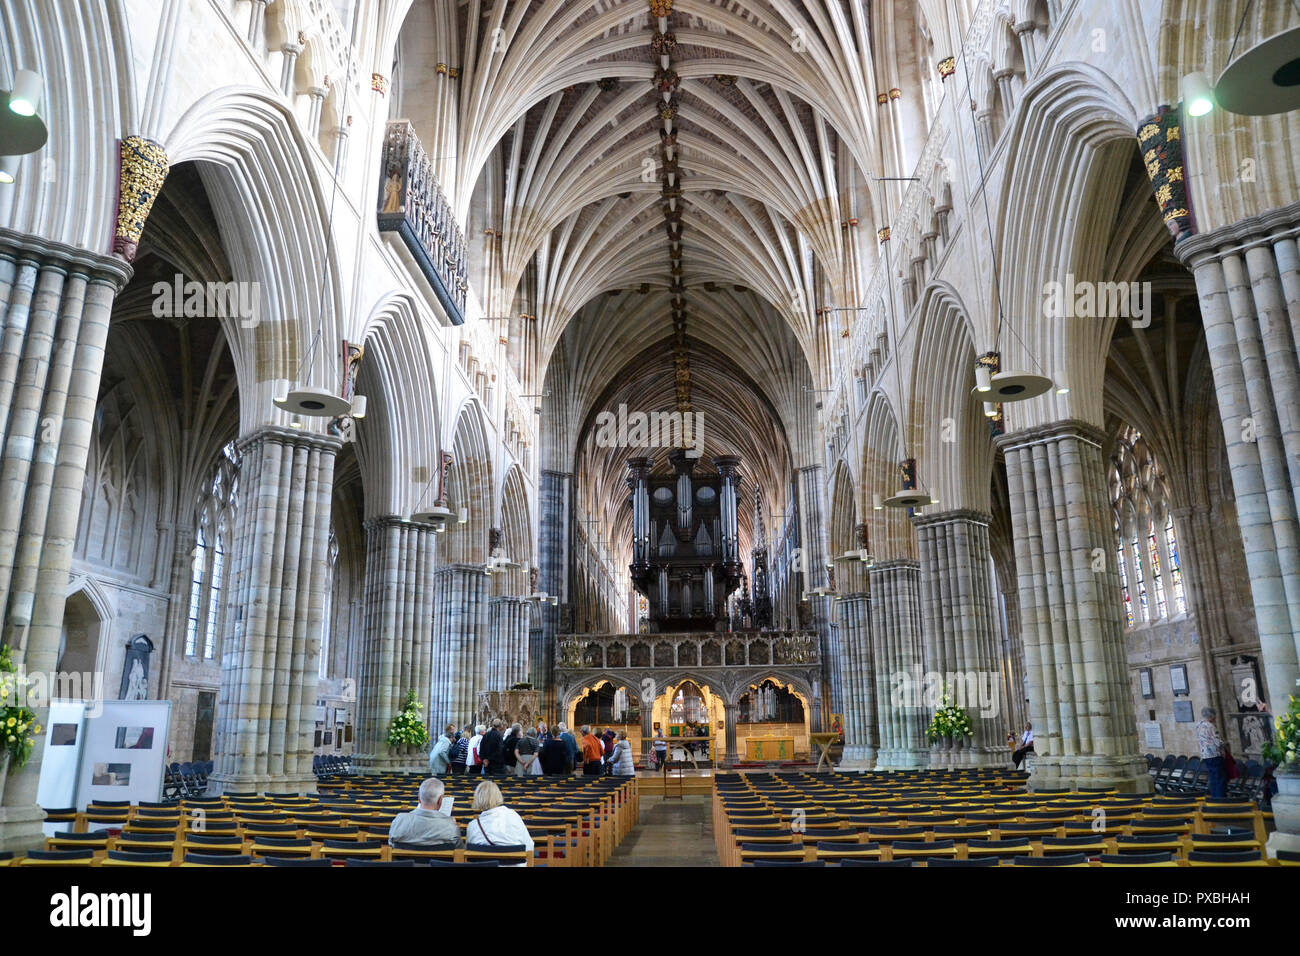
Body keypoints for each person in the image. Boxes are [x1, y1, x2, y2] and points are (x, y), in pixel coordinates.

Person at [465, 779, 533, 865]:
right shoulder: (513, 816)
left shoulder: (473, 825)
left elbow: (469, 853)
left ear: (477, 798)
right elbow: (529, 846)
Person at [388, 778, 460, 847]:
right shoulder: (451, 826)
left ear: (419, 798)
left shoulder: (399, 821)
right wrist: (452, 824)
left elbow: (391, 845)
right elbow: (459, 851)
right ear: (440, 800)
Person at [1197, 706, 1226, 799]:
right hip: (1214, 754)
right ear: (1212, 716)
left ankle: (1214, 797)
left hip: (1205, 754)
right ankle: (1220, 798)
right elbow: (1217, 742)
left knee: (1213, 777)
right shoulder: (1211, 726)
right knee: (1220, 777)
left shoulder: (1199, 725)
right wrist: (1225, 743)